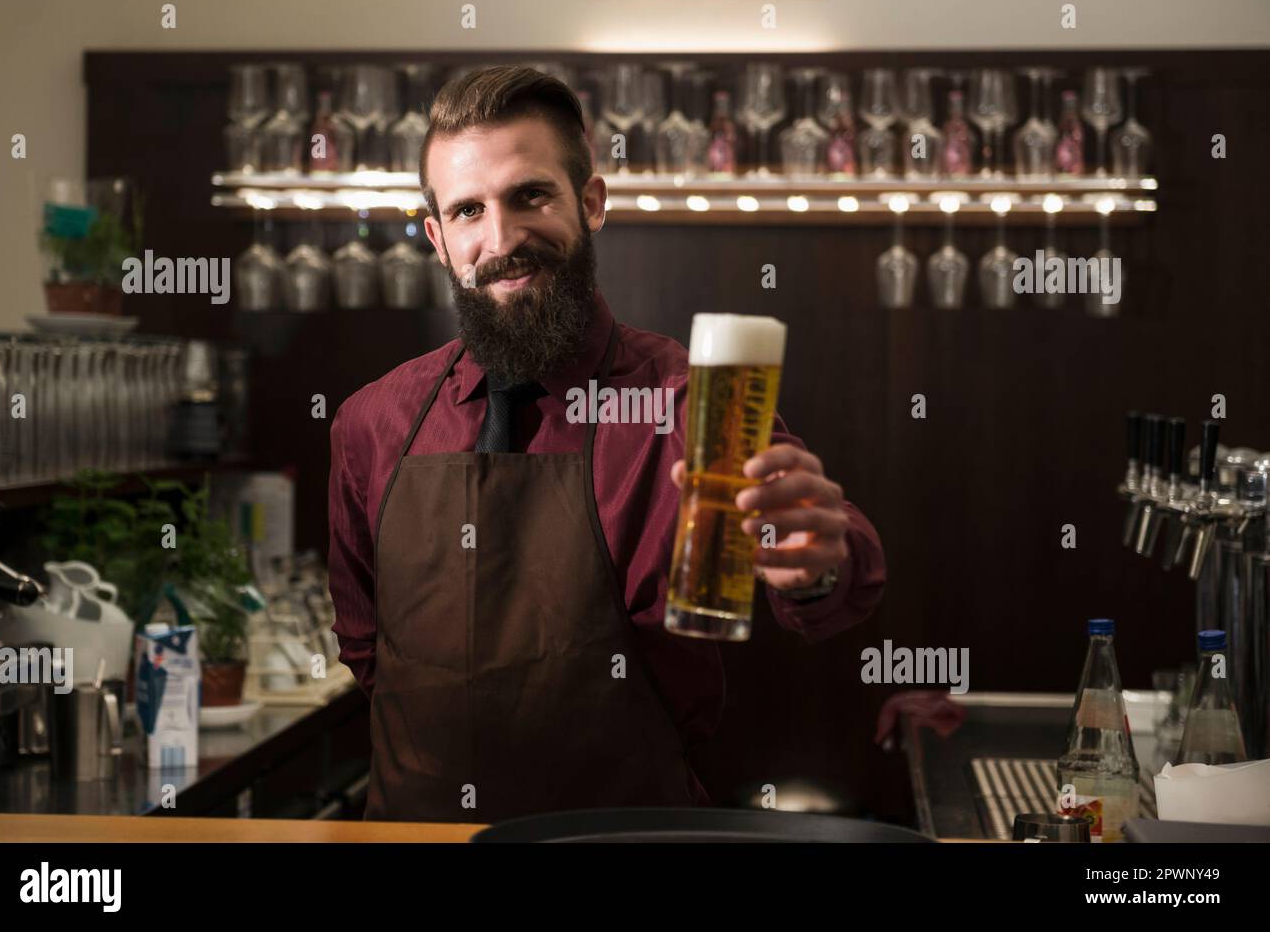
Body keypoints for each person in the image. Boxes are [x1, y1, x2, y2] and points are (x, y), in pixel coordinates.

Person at [327, 65, 886, 822]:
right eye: (467, 210)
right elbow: (367, 655)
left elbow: (831, 569)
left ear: (590, 203)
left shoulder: (687, 400)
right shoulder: (370, 422)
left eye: (530, 195)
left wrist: (814, 562)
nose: (502, 239)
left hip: (628, 840)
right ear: (437, 238)